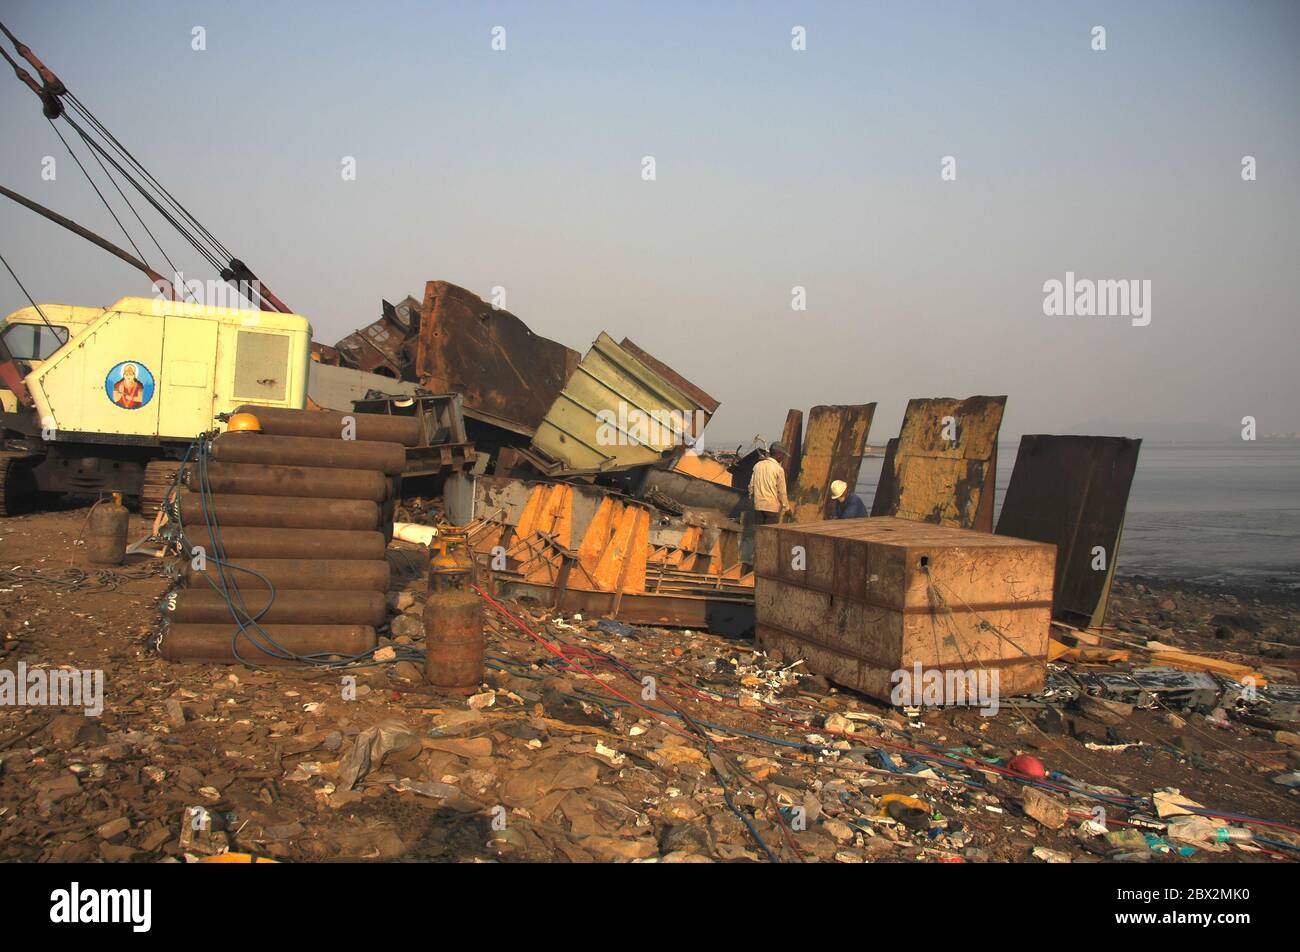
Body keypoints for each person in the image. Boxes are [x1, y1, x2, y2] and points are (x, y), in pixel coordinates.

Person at [749, 441, 791, 524]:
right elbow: (782, 492)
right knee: (769, 534)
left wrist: (752, 500)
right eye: (783, 455)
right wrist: (787, 508)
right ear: (779, 453)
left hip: (758, 506)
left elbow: (751, 487)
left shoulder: (758, 465)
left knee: (758, 532)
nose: (783, 458)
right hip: (771, 508)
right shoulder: (778, 469)